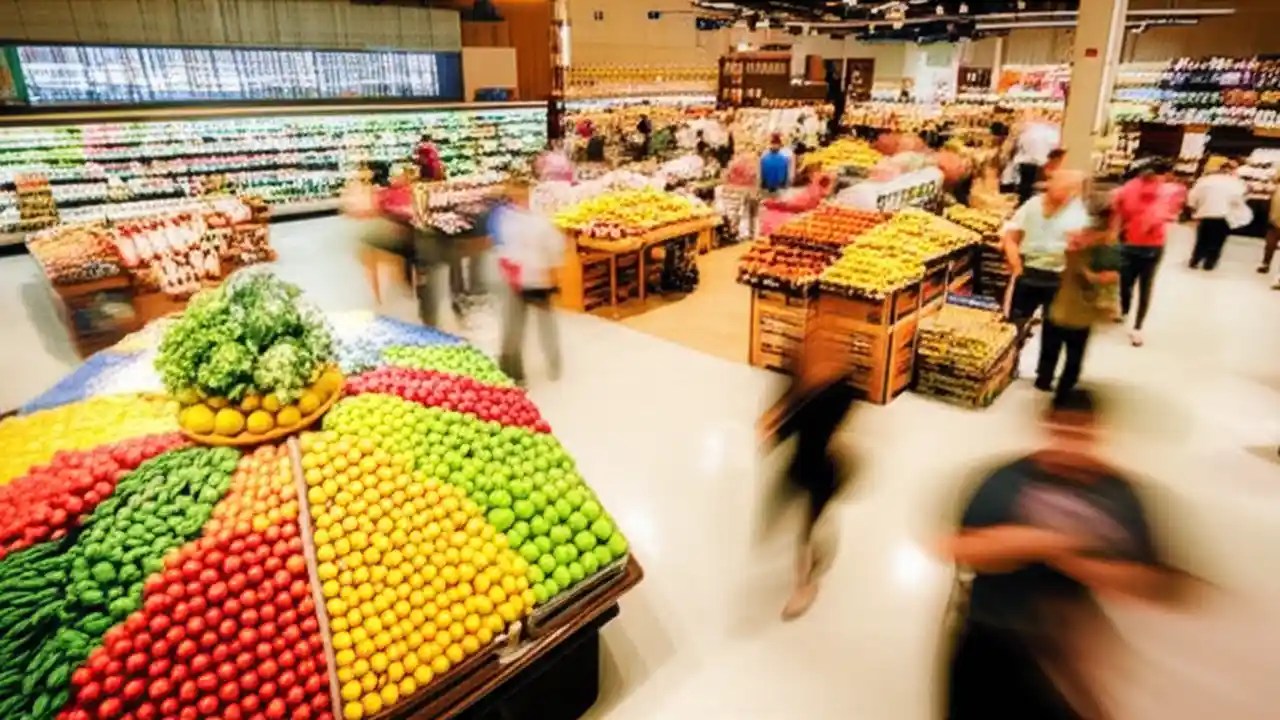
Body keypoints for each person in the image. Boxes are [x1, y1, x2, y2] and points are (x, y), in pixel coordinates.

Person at [943, 388, 1173, 720]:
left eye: (1081, 433)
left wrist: (1070, 556)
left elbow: (1153, 582)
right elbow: (956, 547)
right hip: (989, 634)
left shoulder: (1118, 494)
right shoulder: (1005, 480)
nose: (1071, 445)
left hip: (1064, 649)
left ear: (1097, 432)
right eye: (1064, 432)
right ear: (1048, 428)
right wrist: (1033, 543)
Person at [757, 325, 859, 621]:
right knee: (776, 513)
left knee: (806, 527)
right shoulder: (798, 376)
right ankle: (811, 549)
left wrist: (777, 424)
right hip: (800, 462)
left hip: (824, 468)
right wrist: (772, 422)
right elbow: (785, 409)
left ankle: (804, 585)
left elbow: (808, 424)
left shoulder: (838, 391)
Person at [1000, 170, 1090, 357]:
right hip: (1029, 271)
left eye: (1065, 189)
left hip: (1058, 276)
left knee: (1054, 328)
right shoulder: (1032, 206)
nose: (1056, 192)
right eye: (1054, 187)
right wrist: (1015, 263)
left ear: (1074, 192)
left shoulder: (1079, 214)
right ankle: (1010, 362)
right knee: (1014, 323)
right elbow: (1011, 235)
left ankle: (1044, 375)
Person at [1036, 202, 1120, 396]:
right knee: (1074, 348)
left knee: (1052, 342)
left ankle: (1045, 379)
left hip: (1060, 298)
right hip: (1080, 304)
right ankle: (1065, 384)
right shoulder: (1105, 246)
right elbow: (1109, 276)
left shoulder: (1076, 236)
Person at [492, 182, 564, 384]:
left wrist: (550, 274)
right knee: (524, 326)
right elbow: (555, 248)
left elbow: (500, 246)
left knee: (519, 326)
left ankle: (520, 369)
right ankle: (524, 369)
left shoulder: (518, 220)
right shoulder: (520, 220)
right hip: (527, 279)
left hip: (527, 279)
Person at [1111, 159, 1186, 346]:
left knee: (1125, 281)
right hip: (1153, 245)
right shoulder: (1168, 191)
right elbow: (1172, 214)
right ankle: (1137, 327)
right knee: (1146, 286)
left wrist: (1114, 236)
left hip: (1128, 242)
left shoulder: (1127, 189)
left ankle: (1125, 311)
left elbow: (1117, 215)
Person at [1187, 158, 1248, 271]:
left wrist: (1194, 208)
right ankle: (1210, 263)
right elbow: (1239, 200)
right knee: (1218, 240)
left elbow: (1193, 195)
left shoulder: (1206, 180)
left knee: (1202, 238)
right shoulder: (1237, 183)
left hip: (1206, 213)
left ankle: (1195, 260)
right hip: (1224, 215)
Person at [1012, 120, 1062, 204]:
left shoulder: (1027, 133)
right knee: (1036, 188)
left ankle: (1023, 203)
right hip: (1041, 162)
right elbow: (1055, 149)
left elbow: (1020, 146)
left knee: (1025, 186)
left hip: (1026, 161)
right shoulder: (1053, 134)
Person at [1260, 179, 1280, 275]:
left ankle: (1265, 264)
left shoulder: (1276, 188)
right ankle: (1265, 264)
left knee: (1270, 244)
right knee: (1270, 244)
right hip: (1274, 220)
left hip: (1274, 220)